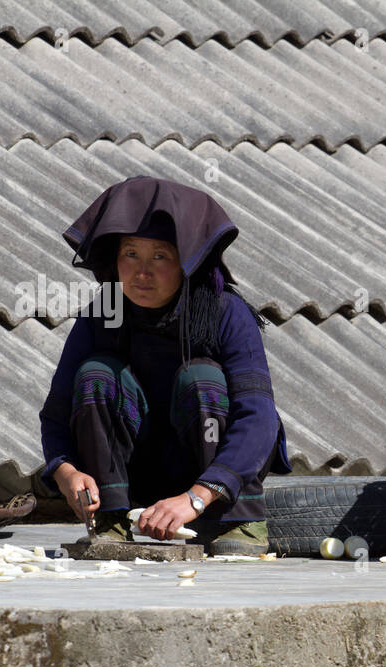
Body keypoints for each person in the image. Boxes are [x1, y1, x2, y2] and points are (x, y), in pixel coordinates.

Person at [39, 176, 292, 556]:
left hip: (211, 485)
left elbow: (258, 419)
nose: (142, 272)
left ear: (188, 260)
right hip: (131, 476)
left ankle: (235, 521)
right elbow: (56, 414)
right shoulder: (102, 314)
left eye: (160, 256)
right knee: (96, 374)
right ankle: (111, 517)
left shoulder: (225, 312)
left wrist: (195, 498)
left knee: (201, 378)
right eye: (130, 254)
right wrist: (67, 473)